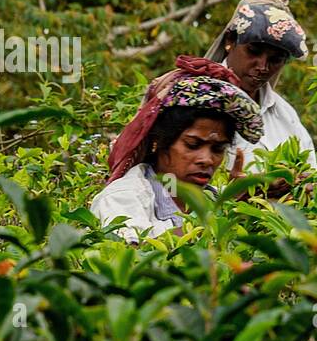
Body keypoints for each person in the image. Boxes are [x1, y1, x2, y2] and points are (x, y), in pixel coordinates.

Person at [201, 0, 317, 211]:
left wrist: (308, 190)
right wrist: (235, 196)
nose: (263, 66)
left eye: (276, 59)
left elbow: (312, 185)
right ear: (230, 42)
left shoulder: (285, 117)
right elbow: (165, 187)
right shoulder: (194, 98)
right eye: (254, 51)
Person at [92, 69, 263, 243]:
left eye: (218, 149)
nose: (207, 160)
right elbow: (132, 258)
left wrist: (247, 203)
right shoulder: (123, 198)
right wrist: (224, 214)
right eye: (192, 145)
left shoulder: (213, 198)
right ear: (158, 141)